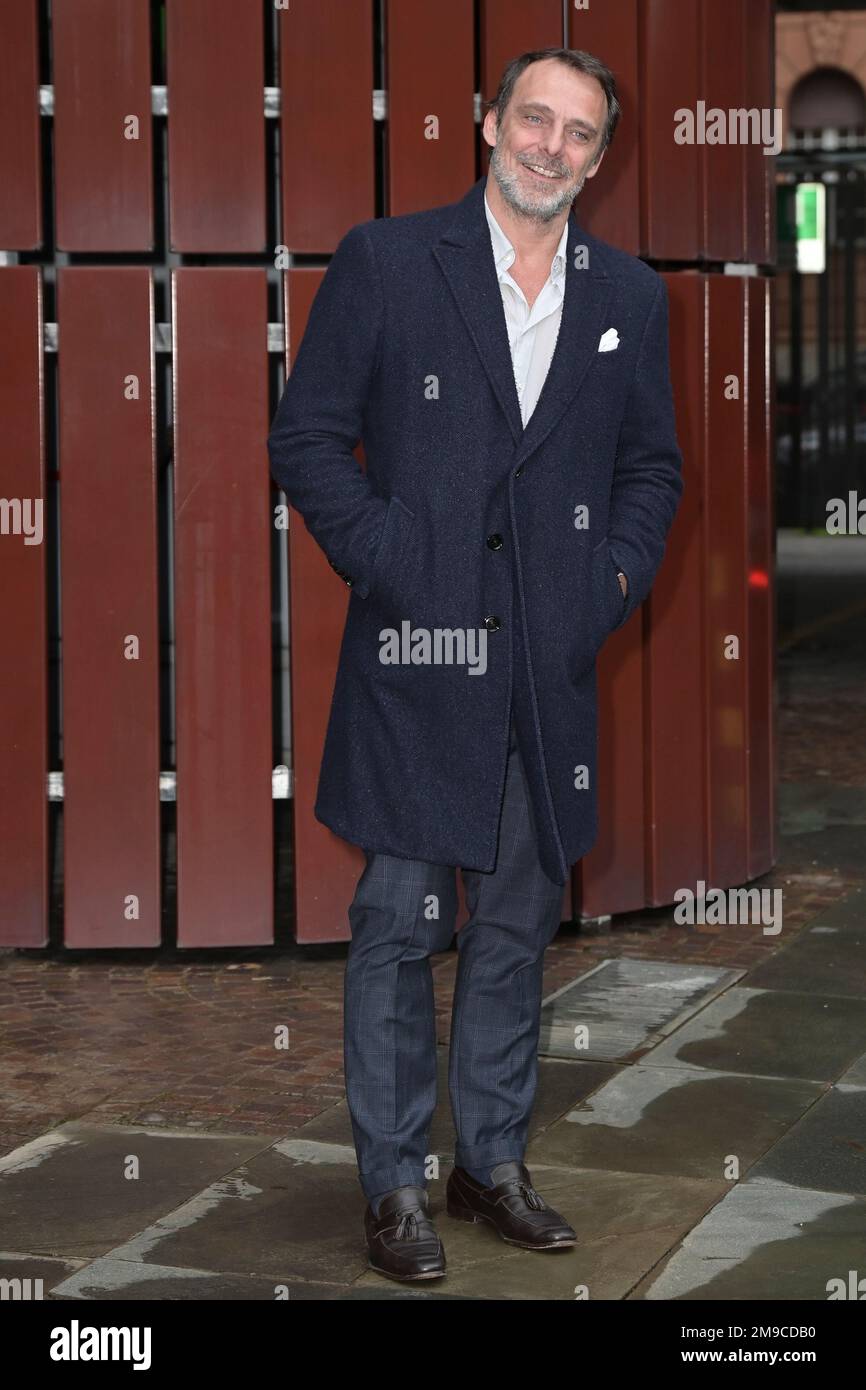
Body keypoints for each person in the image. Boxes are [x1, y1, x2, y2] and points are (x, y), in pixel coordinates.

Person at [267, 47, 684, 1283]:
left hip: (541, 673)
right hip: (416, 651)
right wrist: (392, 554)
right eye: (533, 120)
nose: (549, 147)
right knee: (398, 924)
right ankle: (393, 1184)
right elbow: (306, 437)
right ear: (486, 123)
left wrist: (600, 584)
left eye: (577, 134)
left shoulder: (629, 298)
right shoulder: (388, 262)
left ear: (598, 159)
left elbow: (648, 468)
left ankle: (487, 1161)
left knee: (512, 923)